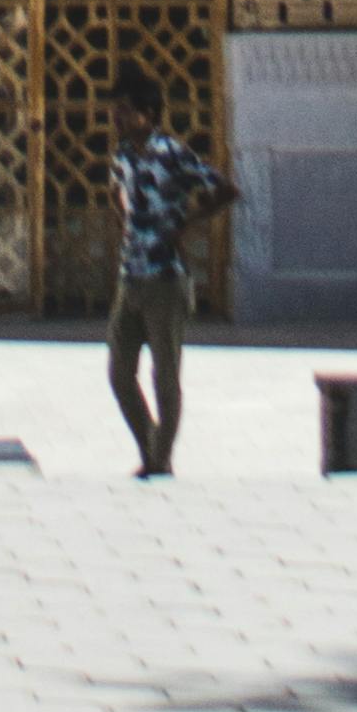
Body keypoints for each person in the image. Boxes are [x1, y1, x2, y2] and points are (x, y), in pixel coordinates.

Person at [105, 65, 226, 477]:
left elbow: (222, 188)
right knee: (120, 373)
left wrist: (185, 224)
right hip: (131, 275)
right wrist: (126, 217)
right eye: (115, 110)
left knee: (165, 375)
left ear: (148, 112)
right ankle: (150, 446)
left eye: (124, 110)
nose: (117, 118)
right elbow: (116, 189)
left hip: (166, 279)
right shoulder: (122, 155)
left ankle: (159, 460)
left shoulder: (171, 153)